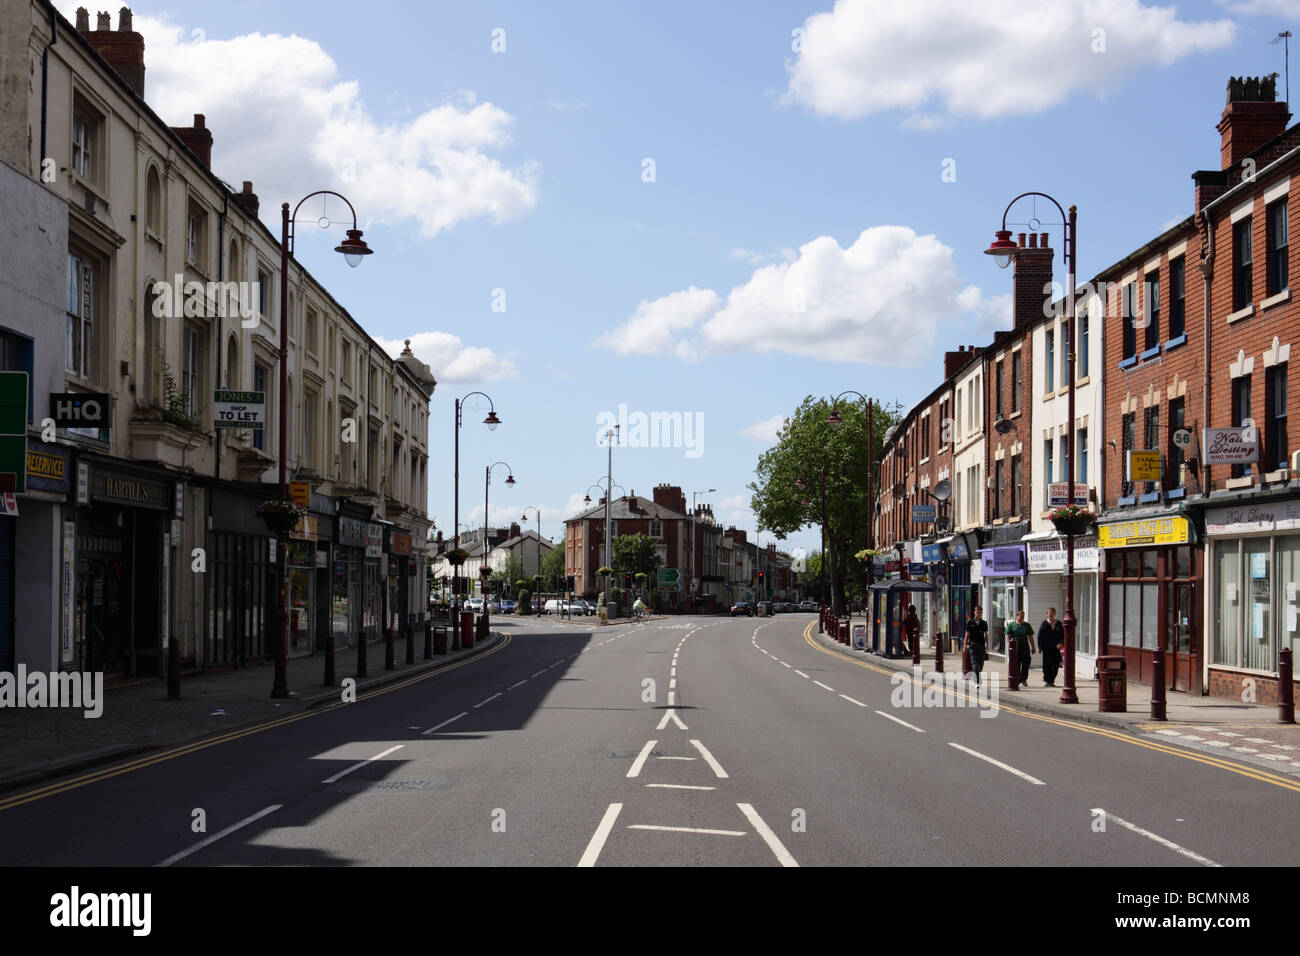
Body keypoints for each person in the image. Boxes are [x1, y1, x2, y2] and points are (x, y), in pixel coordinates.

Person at [1007, 609, 1035, 687]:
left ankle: (1024, 679)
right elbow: (1007, 635)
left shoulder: (1027, 625)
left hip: (1025, 646)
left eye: (1023, 616)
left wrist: (1033, 647)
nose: (1022, 617)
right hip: (1015, 647)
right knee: (1017, 663)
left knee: (1026, 662)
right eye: (1020, 616)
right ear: (1017, 616)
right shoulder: (1011, 625)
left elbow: (1030, 636)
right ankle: (1017, 678)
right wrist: (1010, 644)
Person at [1038, 607, 1065, 686]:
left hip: (1056, 648)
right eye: (1049, 613)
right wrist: (1040, 647)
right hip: (1046, 648)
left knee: (1055, 665)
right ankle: (1047, 680)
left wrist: (1061, 643)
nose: (1051, 614)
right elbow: (1040, 636)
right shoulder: (1044, 624)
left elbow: (1063, 635)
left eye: (1052, 613)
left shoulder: (1059, 623)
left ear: (1054, 614)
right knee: (1046, 665)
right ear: (1047, 614)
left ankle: (1052, 680)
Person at [964, 605, 989, 684]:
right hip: (973, 645)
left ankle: (976, 675)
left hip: (981, 645)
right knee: (974, 663)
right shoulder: (970, 622)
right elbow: (967, 634)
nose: (979, 614)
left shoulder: (984, 623)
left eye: (980, 612)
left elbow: (986, 635)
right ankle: (977, 679)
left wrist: (987, 645)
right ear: (974, 612)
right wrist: (965, 645)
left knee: (981, 664)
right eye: (977, 612)